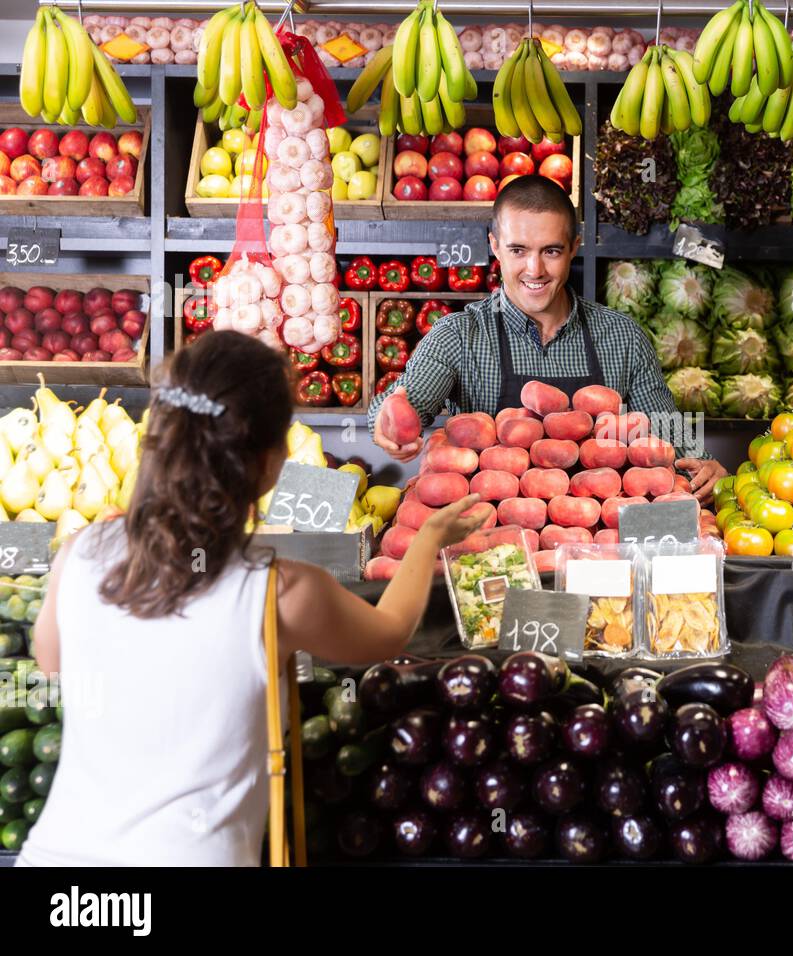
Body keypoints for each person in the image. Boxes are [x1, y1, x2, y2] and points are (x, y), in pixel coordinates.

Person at [18, 332, 486, 867]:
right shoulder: (280, 589)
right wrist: (428, 539)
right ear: (271, 462)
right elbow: (391, 630)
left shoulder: (79, 554)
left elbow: (50, 660)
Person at [367, 175, 726, 501]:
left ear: (574, 247)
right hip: (493, 539)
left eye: (551, 251)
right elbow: (397, 408)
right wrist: (390, 424)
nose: (534, 270)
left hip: (598, 538)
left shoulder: (622, 336)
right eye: (518, 250)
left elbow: (671, 437)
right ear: (495, 245)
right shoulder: (460, 336)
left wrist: (706, 469)